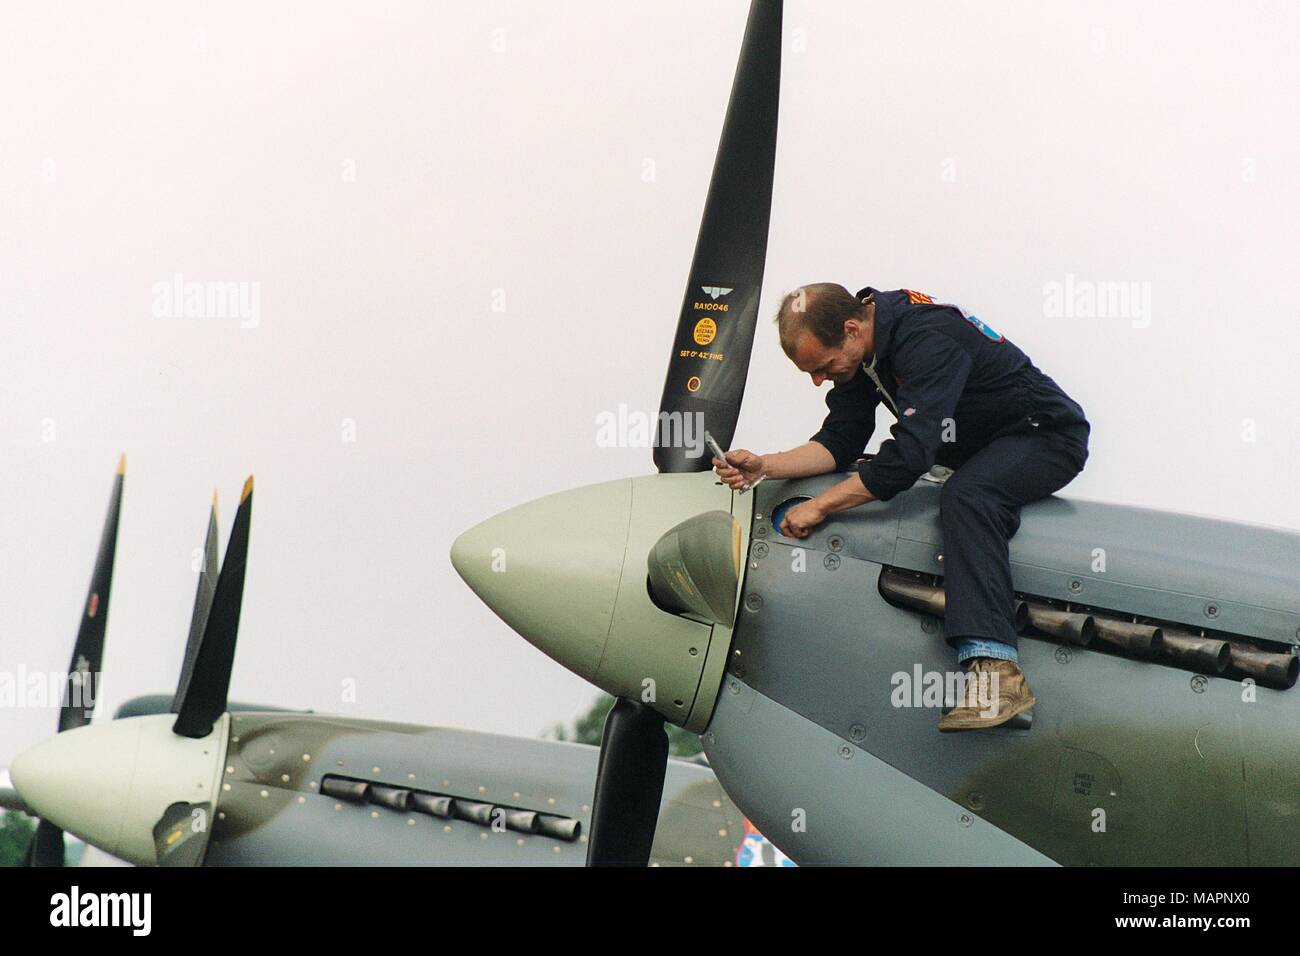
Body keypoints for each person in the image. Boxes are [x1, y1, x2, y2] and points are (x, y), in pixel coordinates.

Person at [713, 283, 1090, 731]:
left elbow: (912, 455)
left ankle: (998, 677)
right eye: (811, 373)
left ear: (852, 329)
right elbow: (841, 440)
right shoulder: (863, 355)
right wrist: (764, 466)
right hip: (978, 447)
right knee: (882, 472)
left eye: (823, 367)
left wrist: (823, 507)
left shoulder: (926, 339)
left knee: (970, 496)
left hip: (1044, 436)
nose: (819, 380)